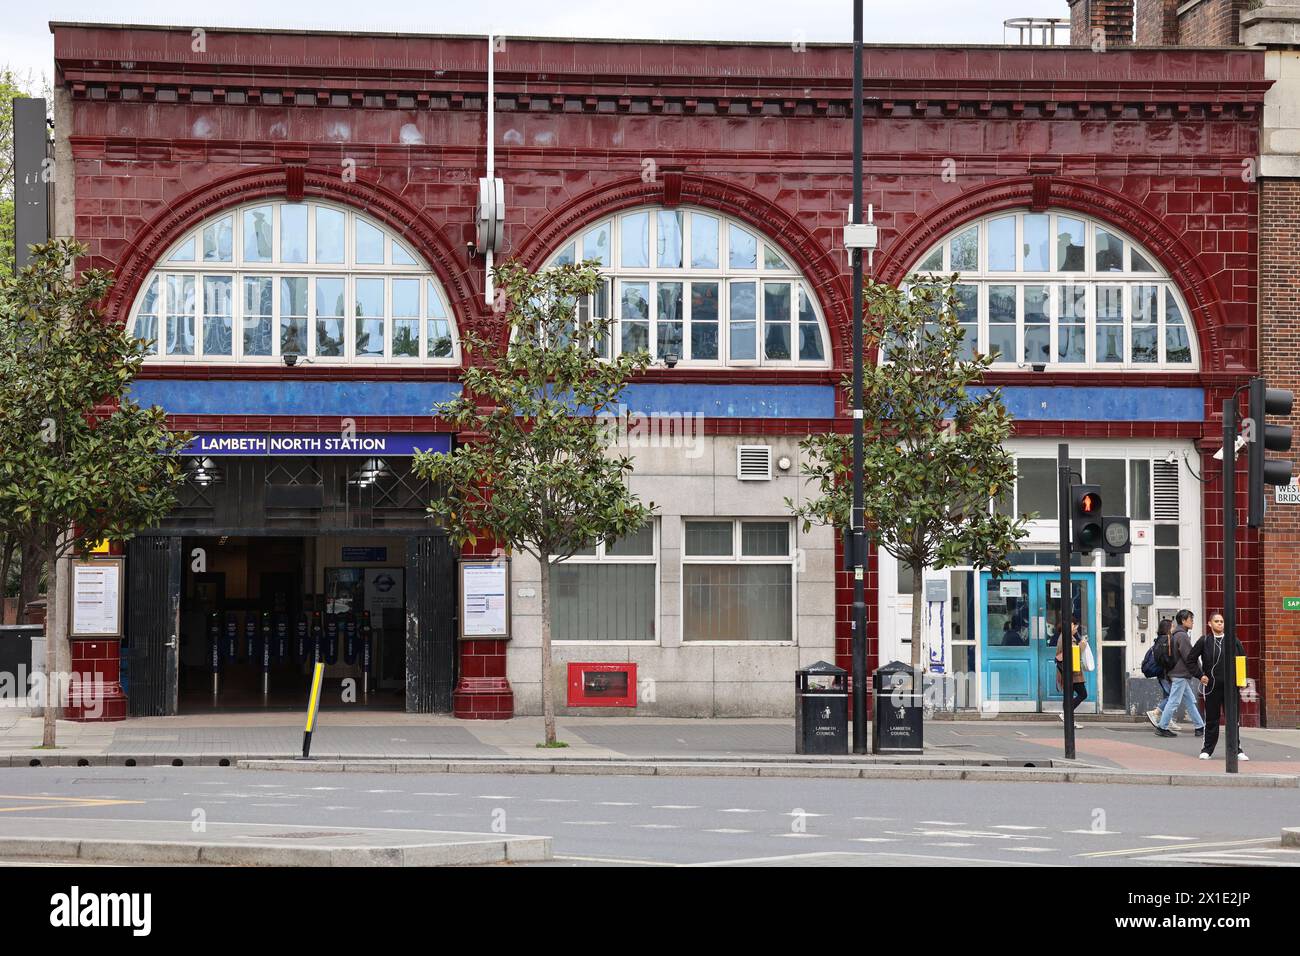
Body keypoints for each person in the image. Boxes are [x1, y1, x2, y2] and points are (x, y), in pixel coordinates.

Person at [1193, 612, 1249, 762]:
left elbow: (1241, 660)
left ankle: (1237, 750)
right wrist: (1200, 675)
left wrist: (1242, 681)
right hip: (1212, 686)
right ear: (1210, 624)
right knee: (1212, 718)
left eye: (1222, 621)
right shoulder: (1204, 641)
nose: (1220, 624)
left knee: (1233, 719)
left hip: (1231, 687)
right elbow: (1190, 659)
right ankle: (1207, 749)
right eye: (1216, 621)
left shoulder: (1233, 640)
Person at [1148, 609, 1206, 738]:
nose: (1192, 622)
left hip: (1177, 673)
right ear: (1184, 621)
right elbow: (1189, 657)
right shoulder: (1182, 635)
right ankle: (1162, 727)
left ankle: (1199, 726)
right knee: (1174, 701)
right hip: (1180, 674)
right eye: (1191, 619)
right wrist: (1199, 673)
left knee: (1190, 700)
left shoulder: (1176, 634)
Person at [1145, 618, 1183, 732]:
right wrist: (1171, 670)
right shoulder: (1167, 640)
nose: (1174, 629)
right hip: (1166, 674)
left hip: (1162, 674)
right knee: (1172, 697)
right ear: (1168, 628)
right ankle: (1156, 712)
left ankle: (1167, 720)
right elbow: (1166, 659)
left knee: (1168, 696)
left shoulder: (1159, 640)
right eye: (1172, 627)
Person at [1052, 615, 1089, 724]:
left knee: (1068, 695)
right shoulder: (1067, 637)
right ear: (1070, 625)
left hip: (1068, 671)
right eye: (1075, 626)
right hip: (1072, 672)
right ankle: (1067, 714)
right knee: (1082, 694)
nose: (1076, 628)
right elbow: (1073, 654)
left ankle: (1069, 719)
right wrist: (1082, 646)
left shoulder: (1063, 636)